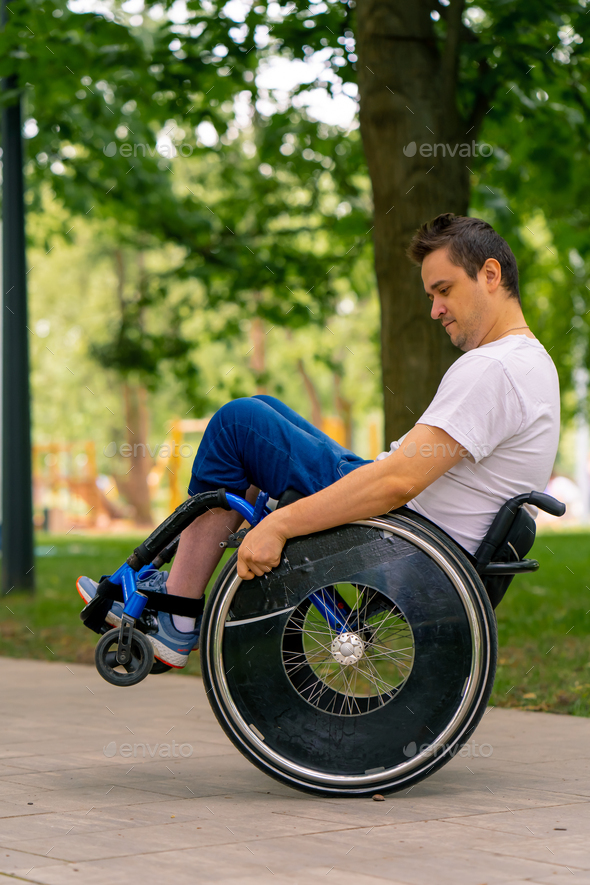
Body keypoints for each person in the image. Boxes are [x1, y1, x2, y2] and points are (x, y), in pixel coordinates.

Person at [78, 213, 560, 668]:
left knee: (238, 424)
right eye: (431, 295)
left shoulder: (494, 368)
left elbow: (398, 482)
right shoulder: (528, 362)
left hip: (398, 538)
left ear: (490, 274)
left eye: (444, 290)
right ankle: (179, 583)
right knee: (263, 408)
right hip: (415, 533)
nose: (435, 310)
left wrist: (280, 523)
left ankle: (177, 614)